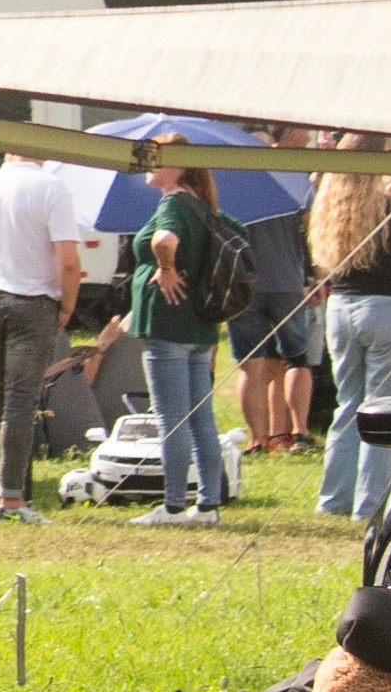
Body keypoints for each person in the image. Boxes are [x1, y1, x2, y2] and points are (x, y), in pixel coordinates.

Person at [309, 166, 391, 523]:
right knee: (387, 412)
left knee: (349, 404)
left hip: (342, 309)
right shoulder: (389, 208)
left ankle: (334, 499)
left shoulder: (330, 207)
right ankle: (371, 505)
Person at [0, 153, 82, 522]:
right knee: (21, 400)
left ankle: (1, 491)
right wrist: (67, 307)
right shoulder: (51, 188)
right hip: (32, 300)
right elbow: (69, 261)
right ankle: (12, 501)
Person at [127, 143, 230, 523]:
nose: (148, 167)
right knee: (202, 418)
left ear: (180, 167)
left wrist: (165, 268)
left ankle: (172, 506)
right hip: (199, 326)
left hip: (169, 325)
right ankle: (208, 504)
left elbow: (163, 240)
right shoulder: (202, 205)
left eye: (156, 160)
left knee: (173, 418)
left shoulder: (172, 204)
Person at [234, 198, 318, 456]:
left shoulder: (228, 182)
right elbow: (311, 226)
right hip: (287, 280)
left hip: (243, 283)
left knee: (251, 365)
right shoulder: (289, 182)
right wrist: (312, 273)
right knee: (296, 358)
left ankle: (257, 440)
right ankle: (300, 432)